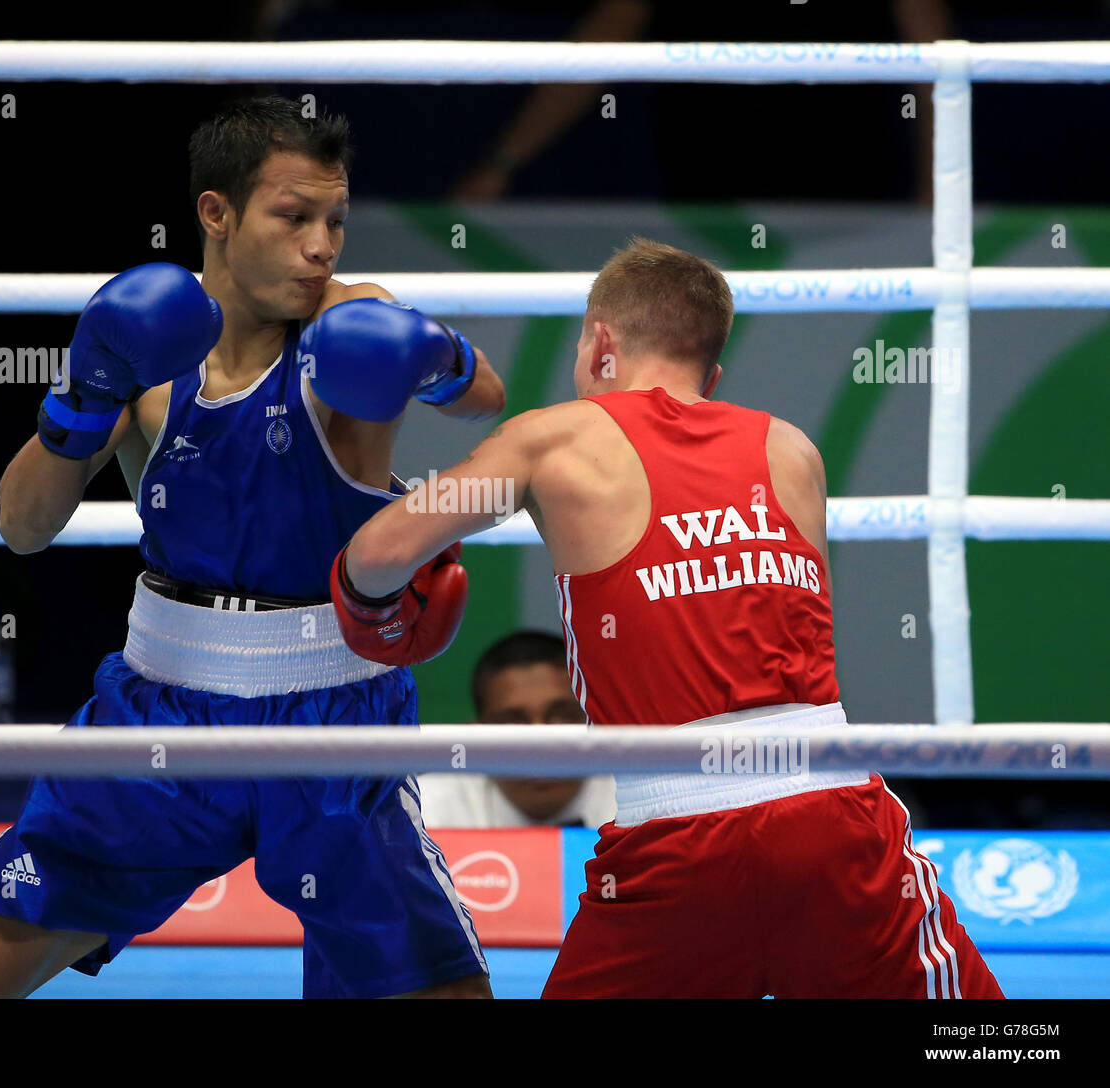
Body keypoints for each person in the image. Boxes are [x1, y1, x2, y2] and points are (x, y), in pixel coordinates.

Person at [0, 95, 504, 999]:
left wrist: (436, 358)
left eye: (336, 220)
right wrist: (81, 400)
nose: (322, 246)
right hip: (161, 713)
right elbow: (22, 528)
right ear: (216, 214)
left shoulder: (351, 324)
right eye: (294, 216)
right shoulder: (143, 352)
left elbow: (487, 399)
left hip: (330, 722)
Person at [331, 237, 1003, 998]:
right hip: (836, 818)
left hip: (673, 841)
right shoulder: (792, 450)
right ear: (710, 375)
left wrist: (375, 608)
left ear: (601, 343)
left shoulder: (552, 441)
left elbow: (374, 554)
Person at [418, 630, 614, 827]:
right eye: (512, 724)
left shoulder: (639, 803)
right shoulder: (423, 811)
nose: (540, 749)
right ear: (475, 737)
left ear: (594, 723)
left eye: (562, 719)